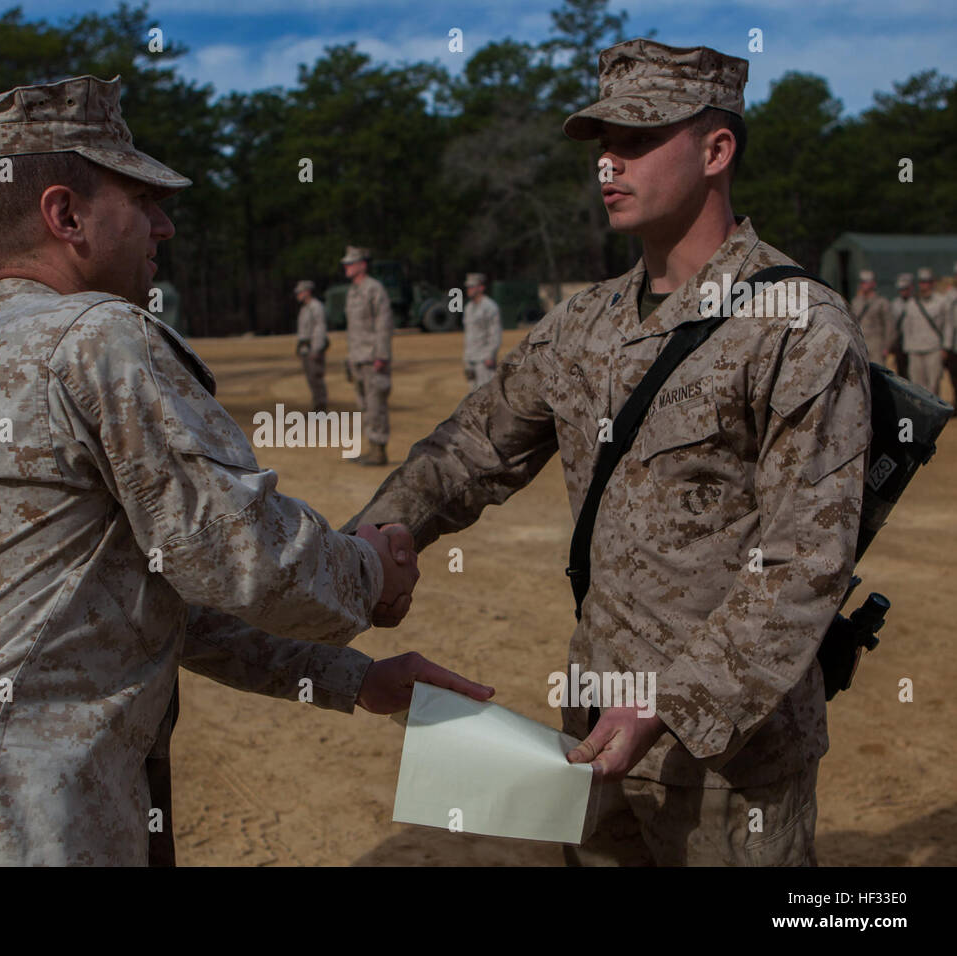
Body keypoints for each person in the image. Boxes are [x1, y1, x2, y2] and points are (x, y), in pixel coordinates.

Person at [0, 75, 488, 867]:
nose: (165, 226)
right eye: (142, 201)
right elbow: (249, 560)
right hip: (8, 826)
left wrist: (354, 681)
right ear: (65, 215)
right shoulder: (101, 338)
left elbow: (159, 597)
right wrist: (370, 568)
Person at [346, 39, 870, 866]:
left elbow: (806, 560)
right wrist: (363, 550)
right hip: (593, 735)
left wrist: (670, 702)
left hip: (729, 764)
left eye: (637, 140)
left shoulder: (797, 326)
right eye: (601, 145)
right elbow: (467, 454)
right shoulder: (584, 325)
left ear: (716, 149)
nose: (608, 165)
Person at [342, 246, 393, 466]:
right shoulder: (353, 291)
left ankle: (379, 450)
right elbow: (353, 329)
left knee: (376, 404)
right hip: (358, 357)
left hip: (373, 358)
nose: (346, 267)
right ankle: (372, 447)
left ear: (362, 265)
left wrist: (382, 354)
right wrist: (350, 358)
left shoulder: (375, 289)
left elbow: (383, 324)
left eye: (350, 263)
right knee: (364, 405)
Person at [899, 267, 953, 395]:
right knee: (917, 387)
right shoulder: (912, 303)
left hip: (933, 348)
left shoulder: (941, 301)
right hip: (914, 349)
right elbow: (907, 327)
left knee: (933, 385)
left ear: (932, 283)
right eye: (922, 282)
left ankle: (933, 414)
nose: (924, 285)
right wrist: (907, 348)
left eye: (927, 282)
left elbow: (948, 325)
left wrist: (946, 346)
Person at [462, 272, 502, 390]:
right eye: (468, 287)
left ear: (481, 287)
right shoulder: (468, 307)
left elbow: (495, 333)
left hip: (484, 360)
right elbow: (468, 335)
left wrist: (490, 355)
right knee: (472, 396)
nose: (468, 289)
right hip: (470, 358)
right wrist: (466, 358)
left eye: (472, 286)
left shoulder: (490, 307)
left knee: (486, 395)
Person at [294, 279, 329, 411]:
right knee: (311, 380)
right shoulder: (304, 309)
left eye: (300, 292)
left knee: (316, 378)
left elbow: (320, 328)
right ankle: (316, 406)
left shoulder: (316, 307)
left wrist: (317, 348)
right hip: (305, 349)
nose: (298, 295)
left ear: (307, 292)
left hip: (313, 348)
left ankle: (321, 407)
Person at [849, 269, 896, 365]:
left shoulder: (882, 302)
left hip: (876, 343)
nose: (863, 285)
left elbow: (889, 326)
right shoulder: (855, 302)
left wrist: (887, 346)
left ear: (873, 284)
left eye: (866, 282)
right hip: (860, 342)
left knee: (877, 373)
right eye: (862, 282)